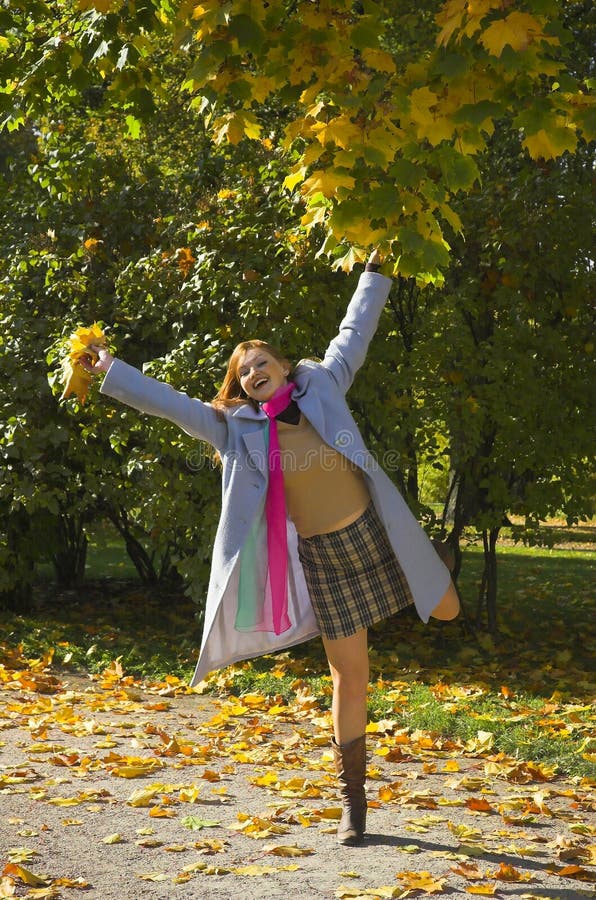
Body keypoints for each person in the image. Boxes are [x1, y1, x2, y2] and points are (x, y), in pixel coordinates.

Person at [81, 250, 460, 846]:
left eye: (262, 363)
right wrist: (113, 369)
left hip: (374, 533)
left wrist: (376, 273)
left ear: (285, 367)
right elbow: (175, 407)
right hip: (325, 560)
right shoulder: (238, 429)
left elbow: (354, 331)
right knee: (349, 675)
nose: (255, 372)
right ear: (244, 387)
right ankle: (353, 806)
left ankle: (436, 558)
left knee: (447, 610)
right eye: (245, 371)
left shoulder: (326, 383)